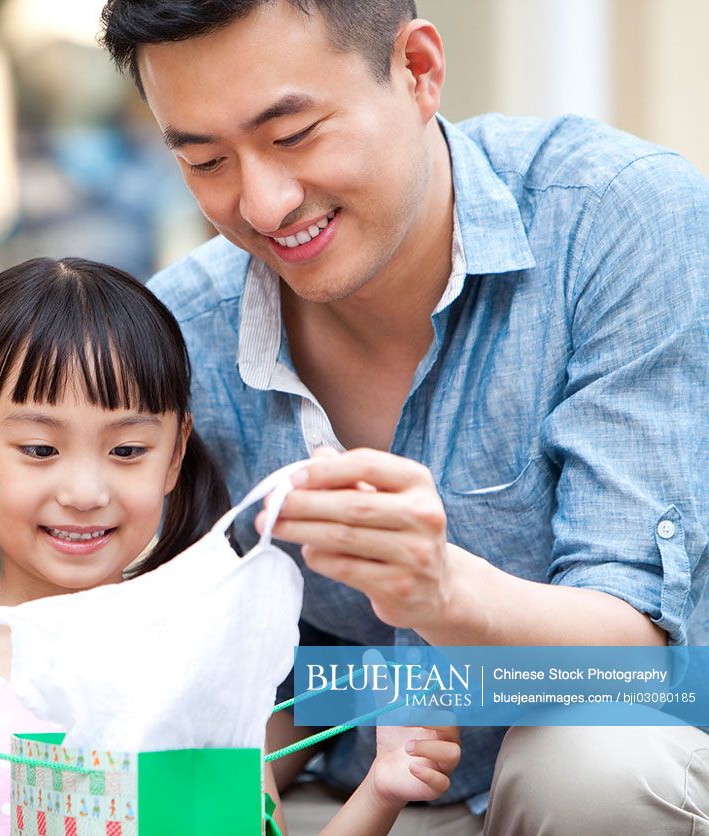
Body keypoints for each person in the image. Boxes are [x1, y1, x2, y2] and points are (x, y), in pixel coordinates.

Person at [98, 0, 709, 833]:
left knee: (588, 763)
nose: (264, 204)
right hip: (372, 789)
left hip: (642, 749)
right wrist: (235, 771)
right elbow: (256, 677)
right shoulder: (181, 336)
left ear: (418, 70)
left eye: (293, 136)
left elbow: (637, 659)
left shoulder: (614, 217)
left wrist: (443, 591)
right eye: (205, 161)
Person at [0, 256, 463, 836]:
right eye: (38, 448)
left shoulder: (202, 658)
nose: (85, 489)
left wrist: (379, 791)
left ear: (175, 452)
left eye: (126, 449)